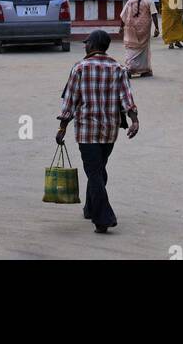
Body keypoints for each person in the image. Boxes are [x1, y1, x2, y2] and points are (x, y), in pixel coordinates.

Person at [56, 29, 139, 234]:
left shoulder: (80, 68)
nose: (84, 46)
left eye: (86, 43)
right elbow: (126, 99)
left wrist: (62, 127)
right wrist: (134, 121)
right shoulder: (119, 69)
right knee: (98, 169)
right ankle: (90, 208)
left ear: (92, 45)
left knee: (94, 172)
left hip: (86, 130)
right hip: (110, 130)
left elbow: (70, 102)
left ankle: (103, 218)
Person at [120, 0, 159, 77]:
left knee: (131, 48)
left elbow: (123, 15)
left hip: (130, 28)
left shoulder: (131, 0)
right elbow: (154, 15)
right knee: (143, 50)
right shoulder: (149, 0)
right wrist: (157, 28)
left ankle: (129, 67)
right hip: (144, 29)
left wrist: (121, 27)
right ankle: (144, 70)